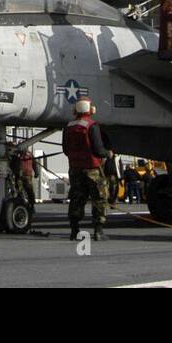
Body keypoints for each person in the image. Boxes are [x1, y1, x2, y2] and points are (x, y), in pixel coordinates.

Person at [62, 99, 109, 240]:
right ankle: (98, 231)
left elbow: (65, 149)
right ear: (90, 110)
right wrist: (108, 153)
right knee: (99, 199)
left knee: (76, 199)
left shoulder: (68, 126)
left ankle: (74, 230)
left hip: (75, 169)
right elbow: (98, 150)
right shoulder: (92, 125)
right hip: (92, 169)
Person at [9, 143, 36, 211]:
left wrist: (36, 172)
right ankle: (20, 204)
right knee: (19, 191)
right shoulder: (16, 156)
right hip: (19, 176)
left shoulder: (30, 154)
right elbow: (11, 165)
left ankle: (32, 205)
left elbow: (34, 164)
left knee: (30, 191)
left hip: (27, 176)